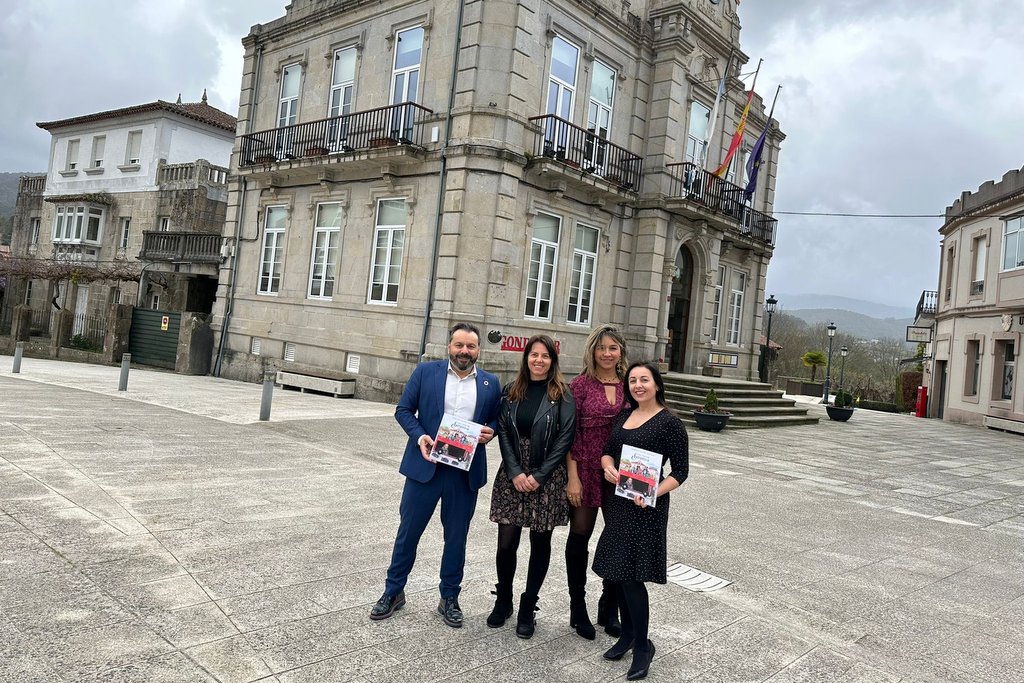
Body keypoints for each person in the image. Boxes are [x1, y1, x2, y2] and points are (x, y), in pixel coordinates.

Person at [369, 323, 502, 628]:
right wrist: (420, 437)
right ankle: (393, 592)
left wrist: (490, 431)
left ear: (479, 349)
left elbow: (495, 418)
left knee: (456, 539)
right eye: (459, 345)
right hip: (425, 467)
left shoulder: (491, 383)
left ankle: (449, 598)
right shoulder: (426, 373)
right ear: (449, 346)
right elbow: (403, 410)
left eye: (470, 346)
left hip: (463, 473)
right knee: (408, 534)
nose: (464, 352)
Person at [593, 362, 689, 681]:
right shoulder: (624, 415)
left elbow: (680, 471)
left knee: (632, 576)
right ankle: (628, 635)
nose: (638, 385)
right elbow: (608, 452)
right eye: (632, 380)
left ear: (657, 385)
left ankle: (643, 646)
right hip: (618, 503)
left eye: (644, 380)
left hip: (646, 509)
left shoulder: (670, 423)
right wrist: (608, 467)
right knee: (618, 572)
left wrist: (653, 494)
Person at [487, 335, 576, 638]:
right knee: (506, 543)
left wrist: (539, 475)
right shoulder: (512, 391)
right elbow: (502, 430)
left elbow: (565, 437)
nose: (539, 360)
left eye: (545, 356)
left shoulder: (562, 394)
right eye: (533, 355)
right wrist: (514, 471)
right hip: (512, 473)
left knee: (540, 543)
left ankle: (528, 606)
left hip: (547, 477)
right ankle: (504, 599)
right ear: (526, 358)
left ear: (553, 361)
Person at [564, 325, 629, 640]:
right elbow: (569, 433)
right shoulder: (578, 385)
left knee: (618, 538)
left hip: (621, 473)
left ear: (620, 352)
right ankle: (578, 608)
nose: (606, 353)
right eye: (601, 347)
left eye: (613, 348)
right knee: (580, 538)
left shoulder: (632, 385)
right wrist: (572, 478)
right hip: (586, 468)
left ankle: (609, 605)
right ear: (592, 351)